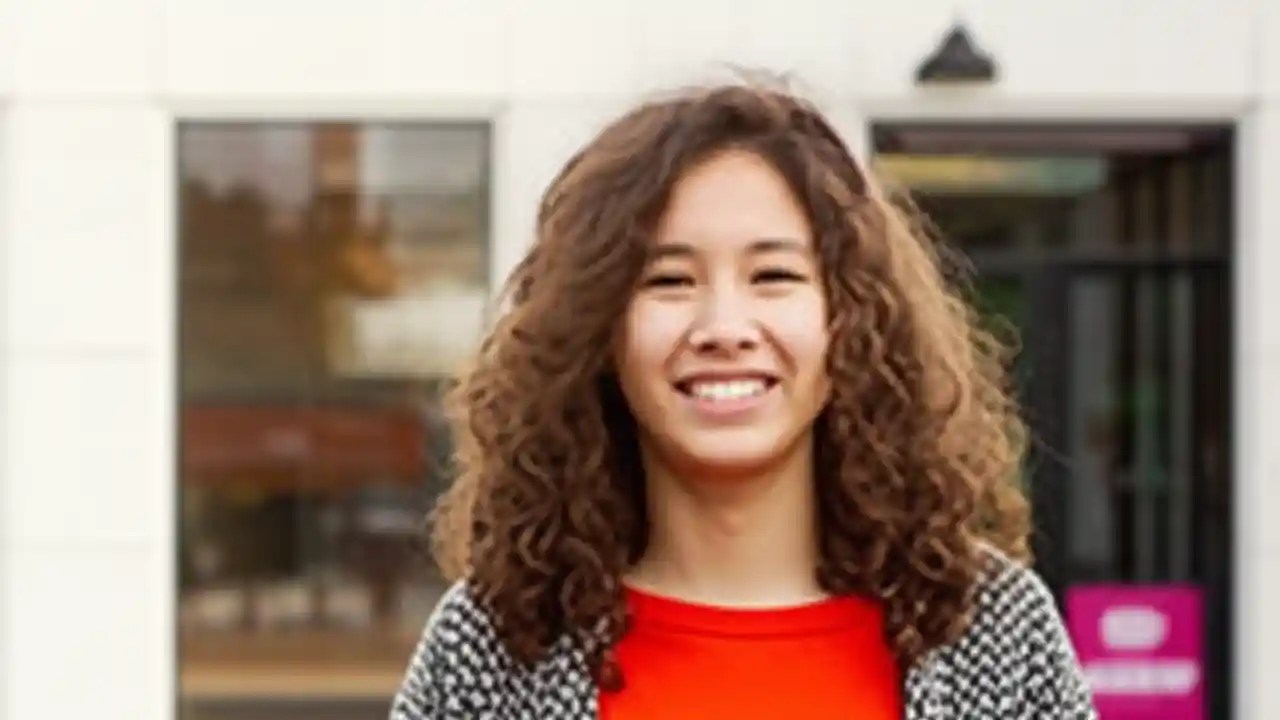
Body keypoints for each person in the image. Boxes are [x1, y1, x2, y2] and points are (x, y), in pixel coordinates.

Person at [389, 82, 1097, 719]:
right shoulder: (493, 645)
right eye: (668, 281)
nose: (724, 328)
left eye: (773, 275)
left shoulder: (992, 631)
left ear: (851, 319)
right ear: (598, 333)